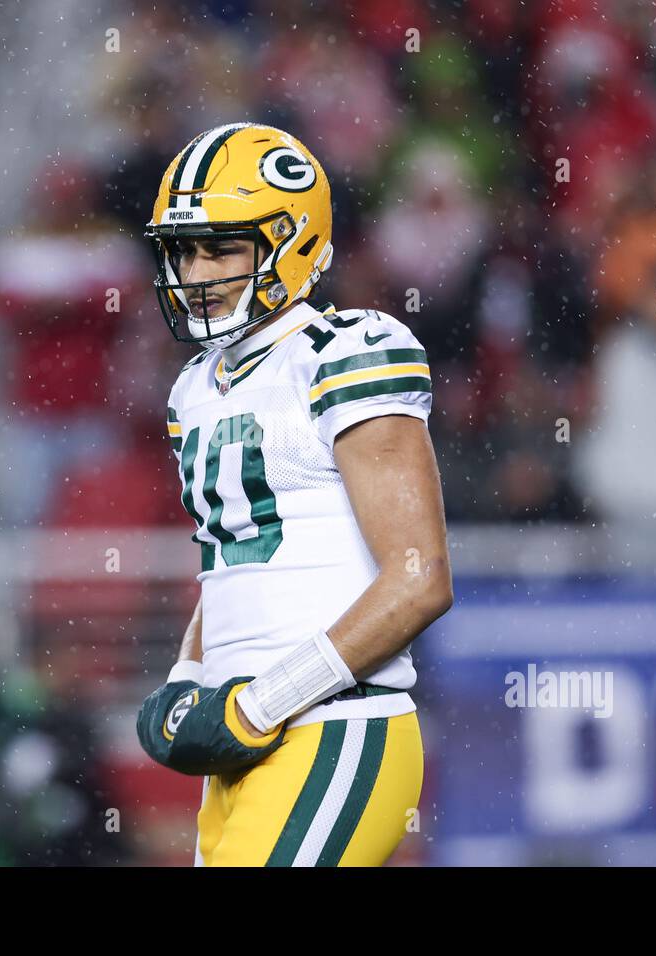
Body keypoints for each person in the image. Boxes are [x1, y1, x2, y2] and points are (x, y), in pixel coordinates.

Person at [133, 123, 453, 866]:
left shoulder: (348, 351)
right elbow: (234, 561)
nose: (196, 270)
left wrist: (262, 700)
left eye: (221, 247)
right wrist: (190, 679)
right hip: (241, 745)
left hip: (336, 725)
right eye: (185, 249)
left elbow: (419, 579)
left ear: (291, 241)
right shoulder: (195, 388)